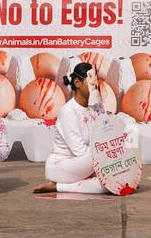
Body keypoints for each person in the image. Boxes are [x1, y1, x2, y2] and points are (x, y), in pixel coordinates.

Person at [33, 62, 113, 195]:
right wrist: (110, 168)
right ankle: (58, 186)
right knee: (101, 155)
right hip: (63, 166)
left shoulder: (96, 108)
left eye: (96, 80)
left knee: (109, 185)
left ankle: (60, 187)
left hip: (88, 164)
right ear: (77, 83)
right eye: (91, 79)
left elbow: (107, 136)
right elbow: (80, 151)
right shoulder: (68, 111)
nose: (95, 84)